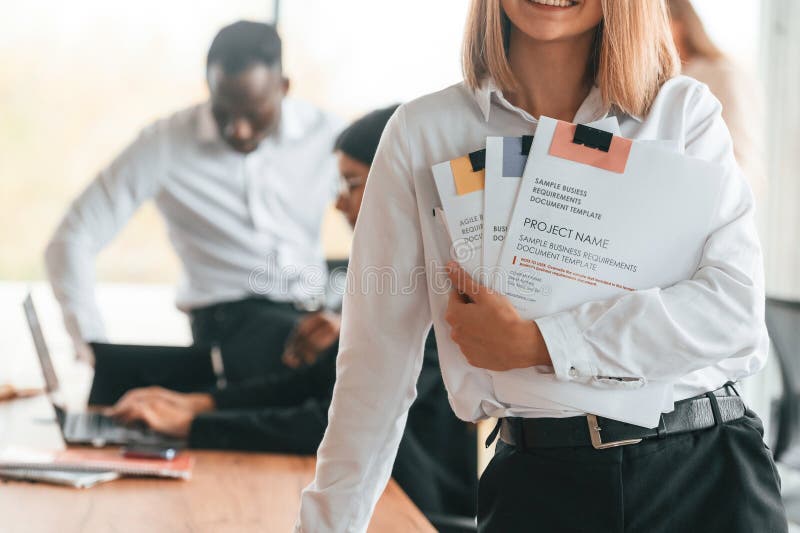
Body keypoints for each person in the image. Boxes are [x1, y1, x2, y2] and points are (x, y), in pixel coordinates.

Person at [296, 1, 786, 532]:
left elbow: (732, 314)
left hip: (705, 474)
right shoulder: (423, 132)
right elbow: (374, 368)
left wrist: (541, 343)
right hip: (539, 485)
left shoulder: (682, 112)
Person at [107, 106, 478, 520]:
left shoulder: (442, 291)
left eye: (351, 184)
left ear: (403, 186)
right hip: (368, 501)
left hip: (413, 510)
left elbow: (330, 421)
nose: (338, 202)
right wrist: (198, 404)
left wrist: (194, 426)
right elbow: (309, 385)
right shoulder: (386, 280)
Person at [44, 21, 342, 381]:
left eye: (253, 112)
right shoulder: (164, 143)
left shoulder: (328, 135)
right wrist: (91, 343)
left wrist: (346, 316)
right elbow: (71, 238)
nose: (238, 129)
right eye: (224, 111)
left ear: (284, 88)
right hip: (227, 323)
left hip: (314, 315)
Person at [669, 0, 766, 200]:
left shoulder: (724, 76)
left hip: (711, 209)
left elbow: (746, 165)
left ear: (678, 26)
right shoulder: (660, 83)